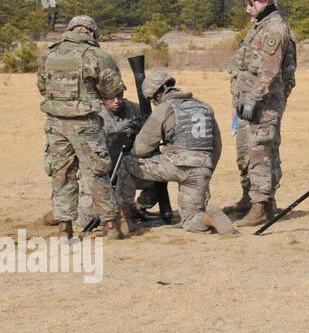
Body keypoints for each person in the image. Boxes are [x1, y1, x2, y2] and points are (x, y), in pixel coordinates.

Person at [37, 15, 126, 238]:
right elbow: (112, 90)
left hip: (55, 124)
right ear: (92, 32)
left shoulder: (50, 53)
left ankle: (64, 227)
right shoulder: (96, 54)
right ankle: (111, 226)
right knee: (96, 172)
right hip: (85, 124)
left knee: (62, 174)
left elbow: (42, 86)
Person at [124, 70, 233, 234]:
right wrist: (206, 170)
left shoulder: (165, 108)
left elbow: (140, 149)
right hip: (202, 167)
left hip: (175, 165)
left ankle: (124, 215)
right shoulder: (204, 107)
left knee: (125, 164)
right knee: (191, 220)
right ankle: (208, 218)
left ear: (158, 94)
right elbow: (216, 145)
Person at [227, 0, 297, 227]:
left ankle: (262, 207)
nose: (248, 8)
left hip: (262, 105)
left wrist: (254, 99)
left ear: (265, 0)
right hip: (248, 104)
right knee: (246, 152)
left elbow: (269, 72)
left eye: (251, 2)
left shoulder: (274, 30)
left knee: (261, 153)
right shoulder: (260, 26)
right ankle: (249, 198)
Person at [76, 91, 142, 238]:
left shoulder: (136, 109)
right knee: (86, 218)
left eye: (119, 96)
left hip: (127, 168)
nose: (117, 101)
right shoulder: (93, 114)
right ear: (102, 98)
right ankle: (60, 213)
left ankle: (139, 207)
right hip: (99, 170)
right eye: (111, 97)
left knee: (157, 178)